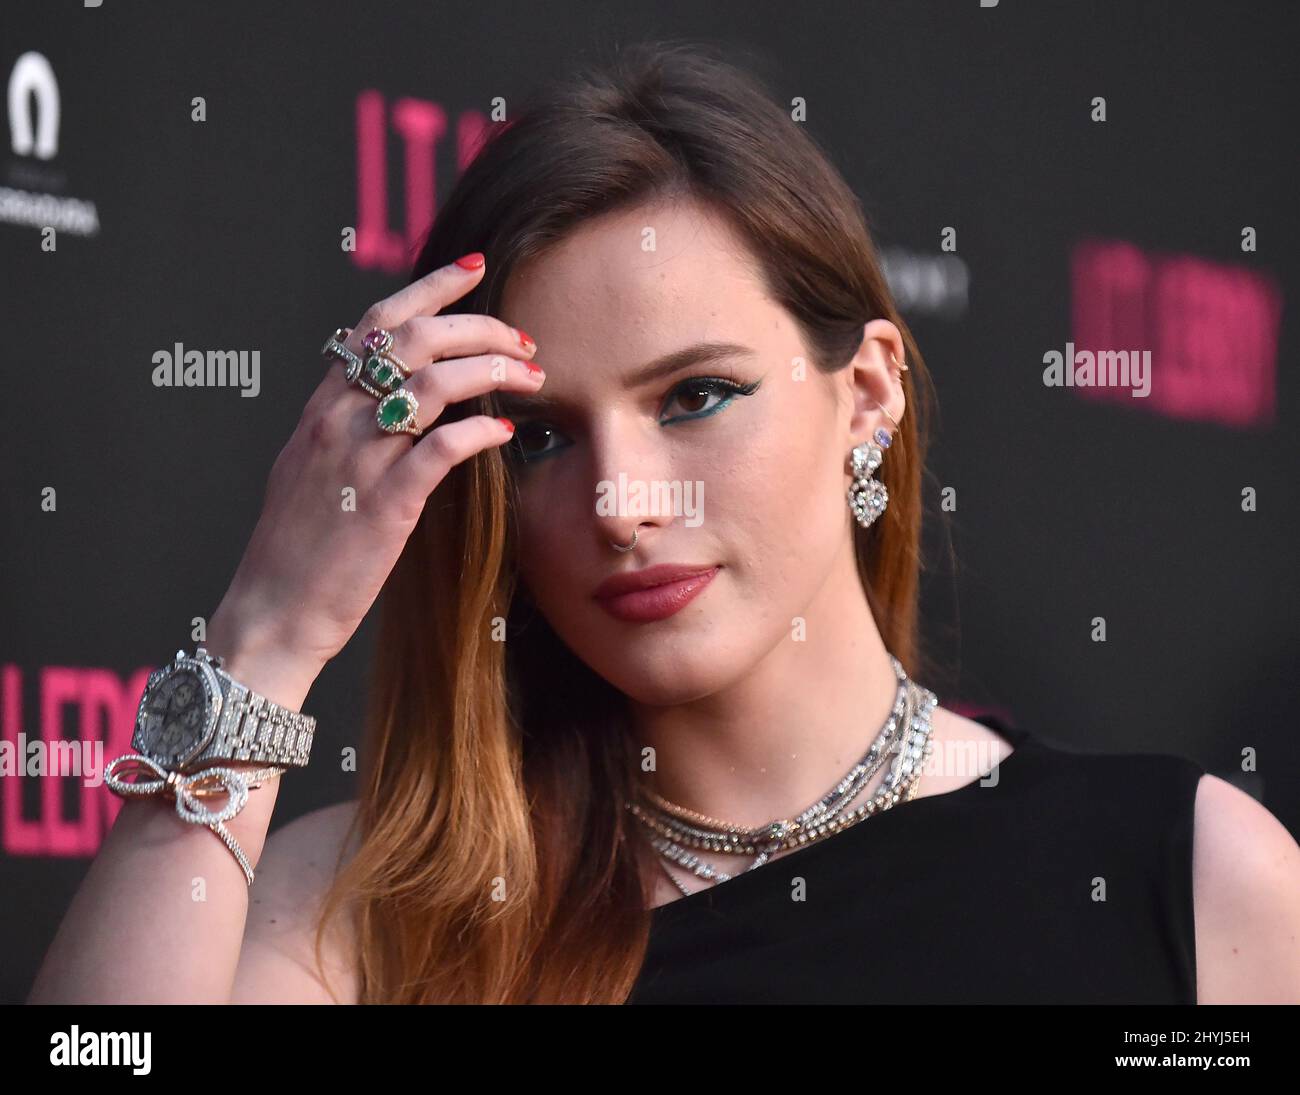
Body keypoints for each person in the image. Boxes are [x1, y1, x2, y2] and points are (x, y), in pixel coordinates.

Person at [27, 40, 1300, 1006]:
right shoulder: (371, 916)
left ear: (865, 394)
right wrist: (264, 633)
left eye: (696, 397)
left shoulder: (1178, 878)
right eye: (539, 435)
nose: (623, 506)